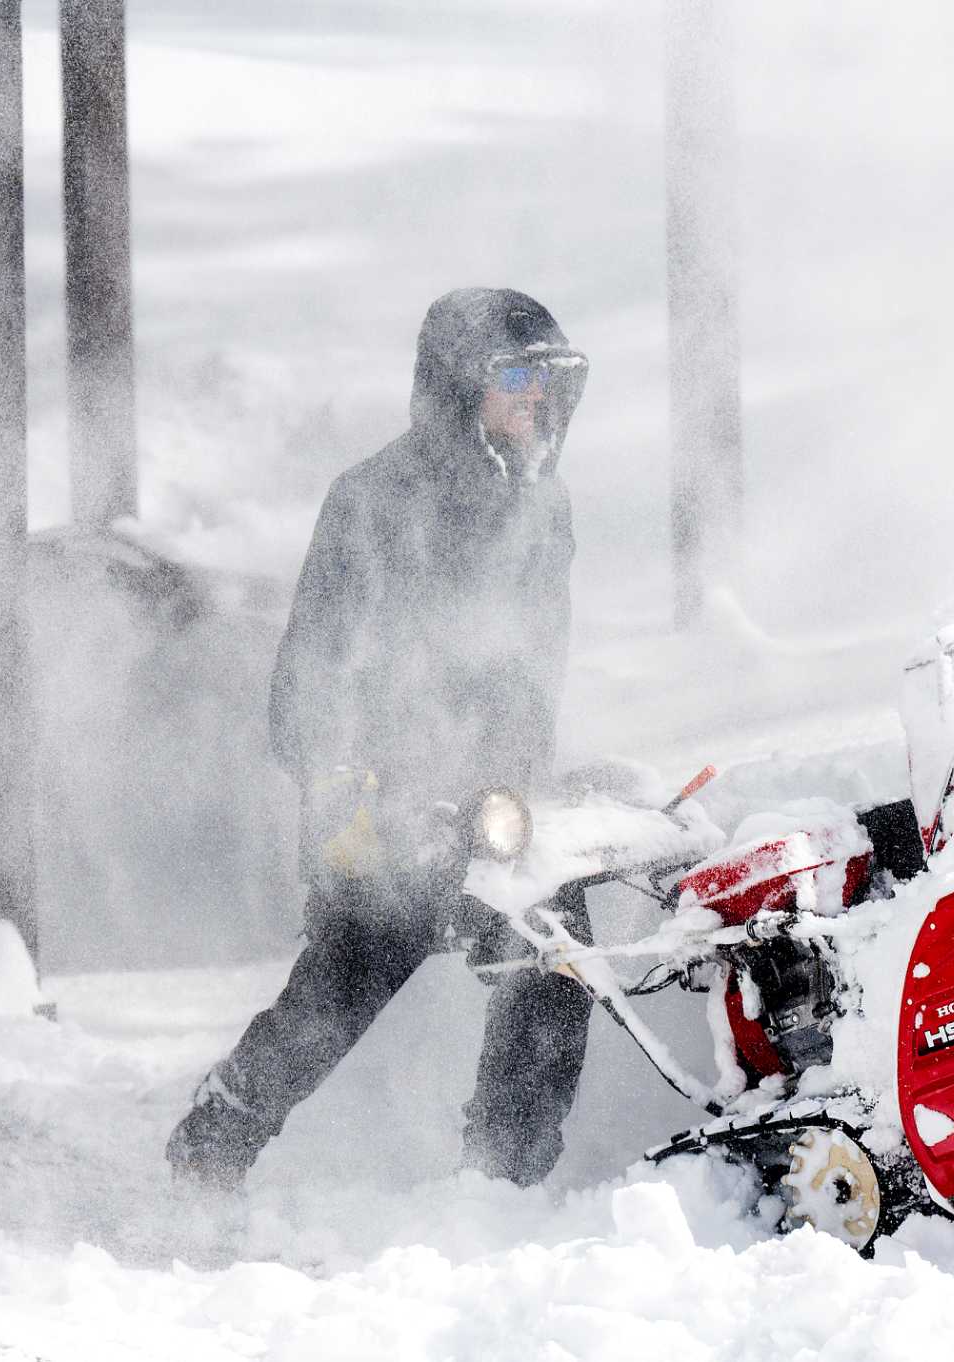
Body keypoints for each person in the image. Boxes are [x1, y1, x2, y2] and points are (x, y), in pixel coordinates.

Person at [166, 287, 592, 1191]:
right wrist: (359, 785)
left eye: (547, 382)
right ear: (456, 385)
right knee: (344, 987)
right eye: (513, 377)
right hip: (382, 806)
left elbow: (527, 677)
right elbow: (306, 684)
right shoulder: (371, 499)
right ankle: (214, 1142)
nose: (534, 401)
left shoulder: (544, 512)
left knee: (553, 948)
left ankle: (502, 1183)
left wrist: (516, 785)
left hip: (492, 810)